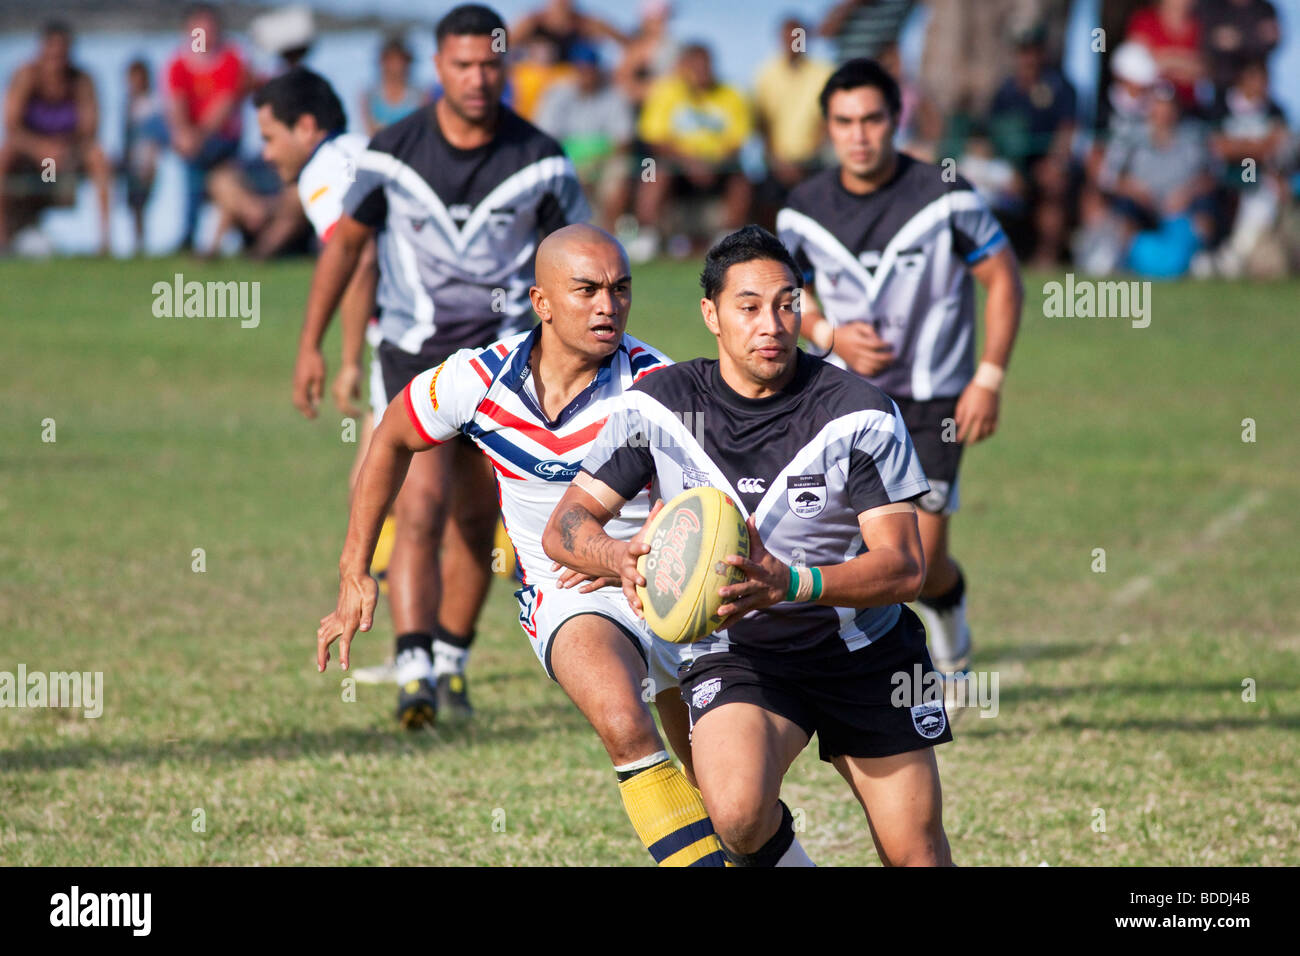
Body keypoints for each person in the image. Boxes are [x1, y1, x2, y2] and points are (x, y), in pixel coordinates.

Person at [316, 224, 728, 867]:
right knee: (625, 725)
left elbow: (716, 504)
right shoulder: (480, 379)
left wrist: (646, 555)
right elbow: (392, 435)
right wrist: (354, 569)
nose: (607, 306)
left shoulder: (661, 388)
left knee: (732, 802)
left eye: (621, 290)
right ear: (541, 303)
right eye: (587, 290)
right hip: (570, 596)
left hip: (672, 590)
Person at [544, 225, 947, 867]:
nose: (773, 324)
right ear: (711, 314)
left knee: (916, 855)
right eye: (749, 306)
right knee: (735, 815)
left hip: (864, 651)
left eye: (788, 304)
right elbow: (565, 526)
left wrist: (791, 583)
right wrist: (618, 557)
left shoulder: (860, 413)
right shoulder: (658, 406)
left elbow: (903, 568)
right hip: (742, 656)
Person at [297, 3, 591, 727]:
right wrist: (312, 343)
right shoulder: (393, 150)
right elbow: (345, 247)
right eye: (462, 64)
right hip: (413, 354)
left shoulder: (542, 159)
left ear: (506, 66)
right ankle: (415, 667)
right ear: (438, 68)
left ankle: (452, 662)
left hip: (509, 361)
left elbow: (580, 260)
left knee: (475, 514)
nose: (477, 78)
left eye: (491, 64)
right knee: (419, 504)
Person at [776, 59, 1024, 681]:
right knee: (841, 540)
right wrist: (829, 333)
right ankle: (860, 673)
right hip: (842, 399)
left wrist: (988, 376)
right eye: (844, 122)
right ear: (828, 128)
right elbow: (784, 292)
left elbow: (1003, 279)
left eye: (871, 119)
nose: (859, 135)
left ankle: (950, 607)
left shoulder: (945, 195)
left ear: (896, 119)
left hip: (933, 401)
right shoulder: (802, 208)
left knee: (923, 560)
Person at [256, 67, 382, 497]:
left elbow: (360, 255)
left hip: (415, 339)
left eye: (270, 138)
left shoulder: (323, 173)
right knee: (380, 490)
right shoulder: (359, 150)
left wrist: (348, 361)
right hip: (432, 331)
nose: (266, 154)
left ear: (306, 128)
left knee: (375, 492)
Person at [0, 21, 112, 254]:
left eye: (62, 53)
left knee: (99, 157)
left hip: (69, 152)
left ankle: (105, 242)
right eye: (51, 52)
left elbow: (91, 127)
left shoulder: (81, 80)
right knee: (4, 156)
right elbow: (12, 126)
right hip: (30, 153)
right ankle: (2, 240)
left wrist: (64, 149)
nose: (56, 59)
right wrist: (40, 147)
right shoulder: (25, 77)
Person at [633, 43, 753, 260]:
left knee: (740, 177)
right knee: (652, 171)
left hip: (718, 168)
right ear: (684, 67)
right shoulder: (666, 91)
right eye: (695, 66)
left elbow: (737, 142)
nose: (701, 72)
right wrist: (690, 163)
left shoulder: (731, 94)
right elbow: (655, 139)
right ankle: (647, 235)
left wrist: (711, 164)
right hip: (677, 168)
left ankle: (728, 238)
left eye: (705, 66)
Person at [164, 3, 254, 252]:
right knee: (192, 164)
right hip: (193, 141)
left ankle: (192, 236)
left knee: (199, 168)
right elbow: (175, 104)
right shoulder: (178, 64)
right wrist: (183, 134)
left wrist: (197, 136)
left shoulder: (231, 59)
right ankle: (196, 238)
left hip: (222, 139)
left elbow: (224, 105)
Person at [986, 25, 1077, 266]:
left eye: (1033, 51)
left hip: (1047, 163)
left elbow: (1067, 131)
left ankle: (1046, 256)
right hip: (1012, 166)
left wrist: (1055, 162)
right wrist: (1008, 170)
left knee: (1053, 185)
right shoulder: (1004, 92)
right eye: (1023, 52)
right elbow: (991, 137)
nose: (1028, 58)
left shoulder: (1059, 87)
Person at [534, 43, 634, 231]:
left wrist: (595, 161)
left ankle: (609, 236)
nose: (586, 74)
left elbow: (624, 140)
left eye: (590, 69)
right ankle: (560, 235)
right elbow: (546, 138)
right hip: (566, 160)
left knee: (621, 170)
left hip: (604, 161)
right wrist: (576, 164)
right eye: (582, 69)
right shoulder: (556, 93)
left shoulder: (614, 94)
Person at [753, 17, 834, 225]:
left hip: (815, 162)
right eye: (788, 36)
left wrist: (807, 158)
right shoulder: (766, 74)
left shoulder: (823, 73)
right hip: (776, 163)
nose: (793, 42)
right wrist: (778, 161)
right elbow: (763, 124)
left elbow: (826, 121)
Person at [122, 59, 169, 254]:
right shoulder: (128, 104)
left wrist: (150, 161)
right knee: (134, 205)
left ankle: (141, 244)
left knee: (142, 202)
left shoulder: (153, 103)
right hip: (131, 162)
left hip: (146, 163)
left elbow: (158, 137)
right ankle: (138, 244)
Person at [361, 36, 426, 136]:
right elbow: (370, 131)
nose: (396, 66)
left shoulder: (420, 95)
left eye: (400, 60)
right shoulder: (370, 96)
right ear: (382, 62)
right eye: (391, 60)